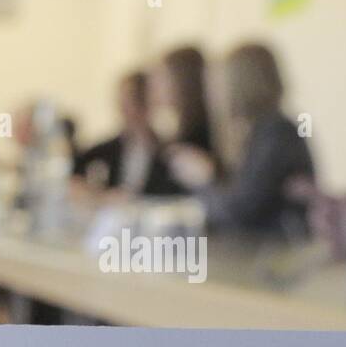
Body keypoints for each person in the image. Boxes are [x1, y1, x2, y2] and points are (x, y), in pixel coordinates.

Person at [174, 43, 314, 237]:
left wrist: (204, 179)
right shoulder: (263, 131)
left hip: (275, 250)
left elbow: (240, 212)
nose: (213, 93)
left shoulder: (275, 131)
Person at [74, 71, 181, 196]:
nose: (124, 109)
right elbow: (73, 177)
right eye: (122, 102)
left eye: (132, 101)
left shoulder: (170, 154)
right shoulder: (103, 151)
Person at [149, 45, 217, 192]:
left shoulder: (205, 132)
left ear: (182, 79)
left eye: (162, 77)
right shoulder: (173, 132)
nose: (154, 86)